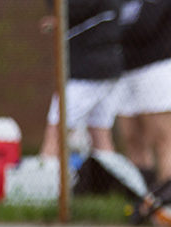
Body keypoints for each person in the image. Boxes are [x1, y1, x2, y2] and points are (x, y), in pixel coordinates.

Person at [113, 0, 171, 187]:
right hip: (125, 70)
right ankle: (143, 200)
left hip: (157, 66)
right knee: (132, 140)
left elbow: (145, 25)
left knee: (162, 140)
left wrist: (107, 34)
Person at [39, 0, 124, 159]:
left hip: (85, 75)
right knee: (100, 136)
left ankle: (42, 183)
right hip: (108, 70)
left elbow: (67, 10)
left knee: (55, 136)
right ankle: (108, 183)